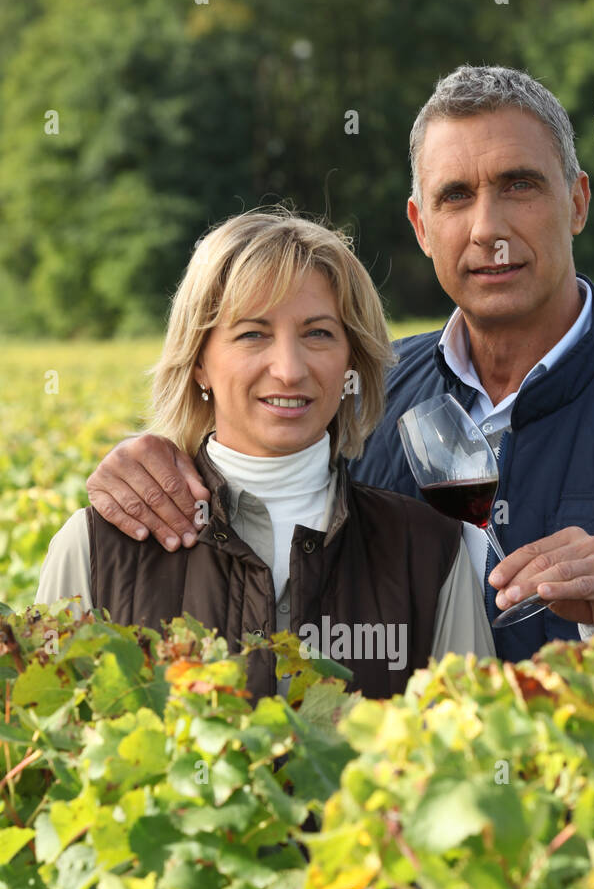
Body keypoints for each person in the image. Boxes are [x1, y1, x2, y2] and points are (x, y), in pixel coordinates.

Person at [81, 65, 594, 768]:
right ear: (421, 225)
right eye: (456, 196)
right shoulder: (360, 391)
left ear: (577, 201)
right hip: (394, 850)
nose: (488, 229)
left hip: (592, 854)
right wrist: (161, 458)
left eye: (519, 185)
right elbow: (252, 475)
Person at [35, 208, 493, 698]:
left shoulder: (430, 551)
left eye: (318, 333)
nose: (289, 370)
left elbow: (469, 756)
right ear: (198, 364)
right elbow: (46, 745)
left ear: (350, 361)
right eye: (252, 334)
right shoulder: (92, 548)